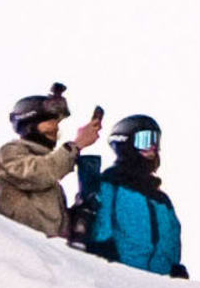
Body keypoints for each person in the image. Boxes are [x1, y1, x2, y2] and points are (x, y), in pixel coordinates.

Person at [74, 114, 187, 277]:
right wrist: (102, 251)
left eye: (156, 141)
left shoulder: (162, 200)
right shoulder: (110, 185)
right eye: (145, 140)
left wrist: (174, 268)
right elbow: (102, 224)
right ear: (125, 144)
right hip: (123, 279)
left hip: (159, 284)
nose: (153, 148)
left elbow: (173, 239)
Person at [0, 91, 103, 240]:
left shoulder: (47, 170)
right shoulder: (9, 153)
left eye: (57, 123)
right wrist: (77, 144)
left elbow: (49, 222)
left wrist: (81, 213)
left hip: (47, 249)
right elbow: (40, 172)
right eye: (50, 122)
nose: (56, 128)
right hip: (23, 245)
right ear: (30, 124)